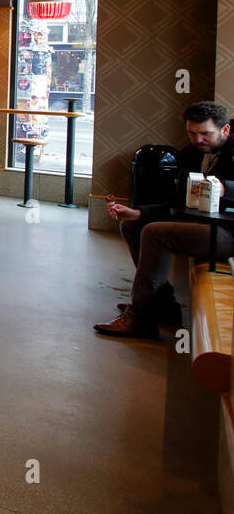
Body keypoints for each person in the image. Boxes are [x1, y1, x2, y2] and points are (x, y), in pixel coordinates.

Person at [95, 101, 234, 339]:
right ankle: (163, 305)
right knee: (131, 225)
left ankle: (142, 318)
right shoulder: (192, 154)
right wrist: (139, 213)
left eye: (205, 134)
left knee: (155, 233)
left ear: (225, 130)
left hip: (229, 232)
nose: (198, 139)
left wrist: (226, 189)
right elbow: (177, 202)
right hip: (203, 225)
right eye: (192, 133)